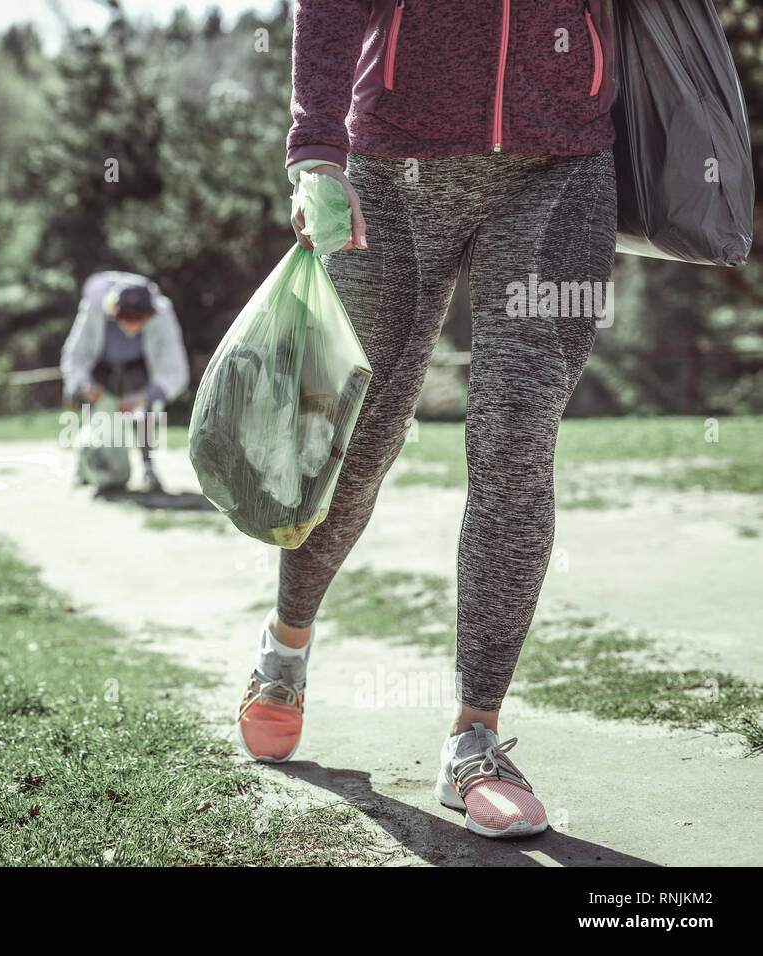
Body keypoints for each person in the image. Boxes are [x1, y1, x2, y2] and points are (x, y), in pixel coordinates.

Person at [239, 0, 619, 839]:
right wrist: (315, 150)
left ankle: (474, 738)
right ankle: (286, 647)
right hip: (391, 165)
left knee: (519, 439)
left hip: (563, 162)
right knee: (359, 440)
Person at [59, 272, 189, 492]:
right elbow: (75, 354)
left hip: (137, 369)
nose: (131, 325)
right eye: (126, 317)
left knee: (144, 415)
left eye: (138, 319)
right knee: (94, 413)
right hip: (102, 368)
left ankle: (148, 467)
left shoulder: (162, 313)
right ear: (114, 310)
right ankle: (84, 465)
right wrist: (82, 385)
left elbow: (175, 368)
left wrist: (147, 395)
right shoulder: (94, 307)